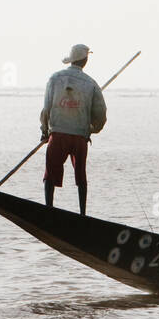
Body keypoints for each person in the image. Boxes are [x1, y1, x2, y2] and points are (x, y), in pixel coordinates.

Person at [41, 43, 108, 216]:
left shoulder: (55, 78)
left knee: (50, 175)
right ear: (84, 60)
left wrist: (44, 132)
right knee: (81, 177)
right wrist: (92, 129)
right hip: (79, 137)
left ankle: (49, 209)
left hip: (58, 134)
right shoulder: (91, 83)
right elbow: (101, 113)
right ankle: (82, 213)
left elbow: (46, 109)